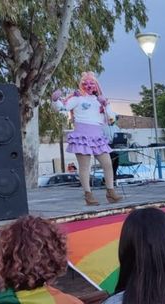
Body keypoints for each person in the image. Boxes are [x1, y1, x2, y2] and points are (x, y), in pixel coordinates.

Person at [51, 71, 122, 206]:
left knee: (107, 164)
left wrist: (105, 105)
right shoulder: (77, 98)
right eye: (86, 83)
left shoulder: (101, 100)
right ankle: (88, 195)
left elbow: (111, 119)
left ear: (96, 85)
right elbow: (63, 108)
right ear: (82, 85)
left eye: (92, 83)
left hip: (98, 137)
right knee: (85, 166)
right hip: (82, 136)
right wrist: (55, 100)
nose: (89, 86)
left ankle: (111, 191)